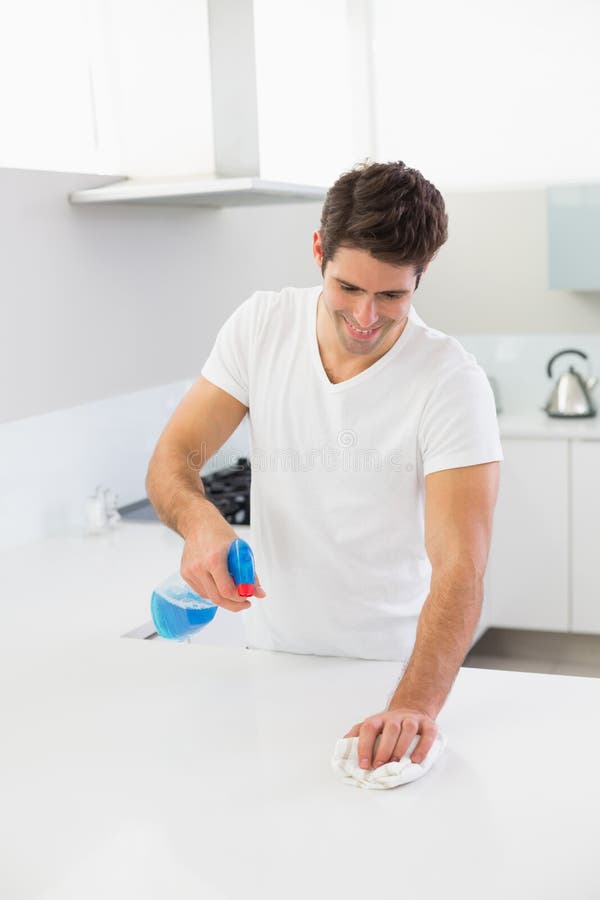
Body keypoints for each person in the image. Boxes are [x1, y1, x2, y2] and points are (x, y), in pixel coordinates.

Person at [146, 160, 502, 773]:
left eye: (391, 294)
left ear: (422, 274)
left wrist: (414, 704)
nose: (366, 317)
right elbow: (173, 459)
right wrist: (199, 519)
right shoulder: (261, 326)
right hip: (270, 659)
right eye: (348, 288)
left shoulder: (450, 382)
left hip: (391, 674)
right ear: (319, 250)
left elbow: (460, 568)